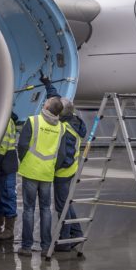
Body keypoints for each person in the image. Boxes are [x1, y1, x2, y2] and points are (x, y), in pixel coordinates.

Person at [17, 96, 67, 257]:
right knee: (46, 210)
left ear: (47, 107)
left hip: (31, 171)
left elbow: (22, 145)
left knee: (29, 209)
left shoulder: (33, 121)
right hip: (47, 173)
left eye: (47, 101)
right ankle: (46, 247)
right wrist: (52, 167)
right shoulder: (61, 127)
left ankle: (26, 247)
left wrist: (26, 161)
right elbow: (62, 153)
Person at [42, 76, 88, 252]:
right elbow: (58, 100)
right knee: (66, 203)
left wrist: (54, 168)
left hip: (63, 171)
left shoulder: (65, 130)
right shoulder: (73, 118)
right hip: (71, 169)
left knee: (61, 206)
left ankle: (65, 240)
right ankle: (76, 232)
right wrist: (48, 84)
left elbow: (64, 155)